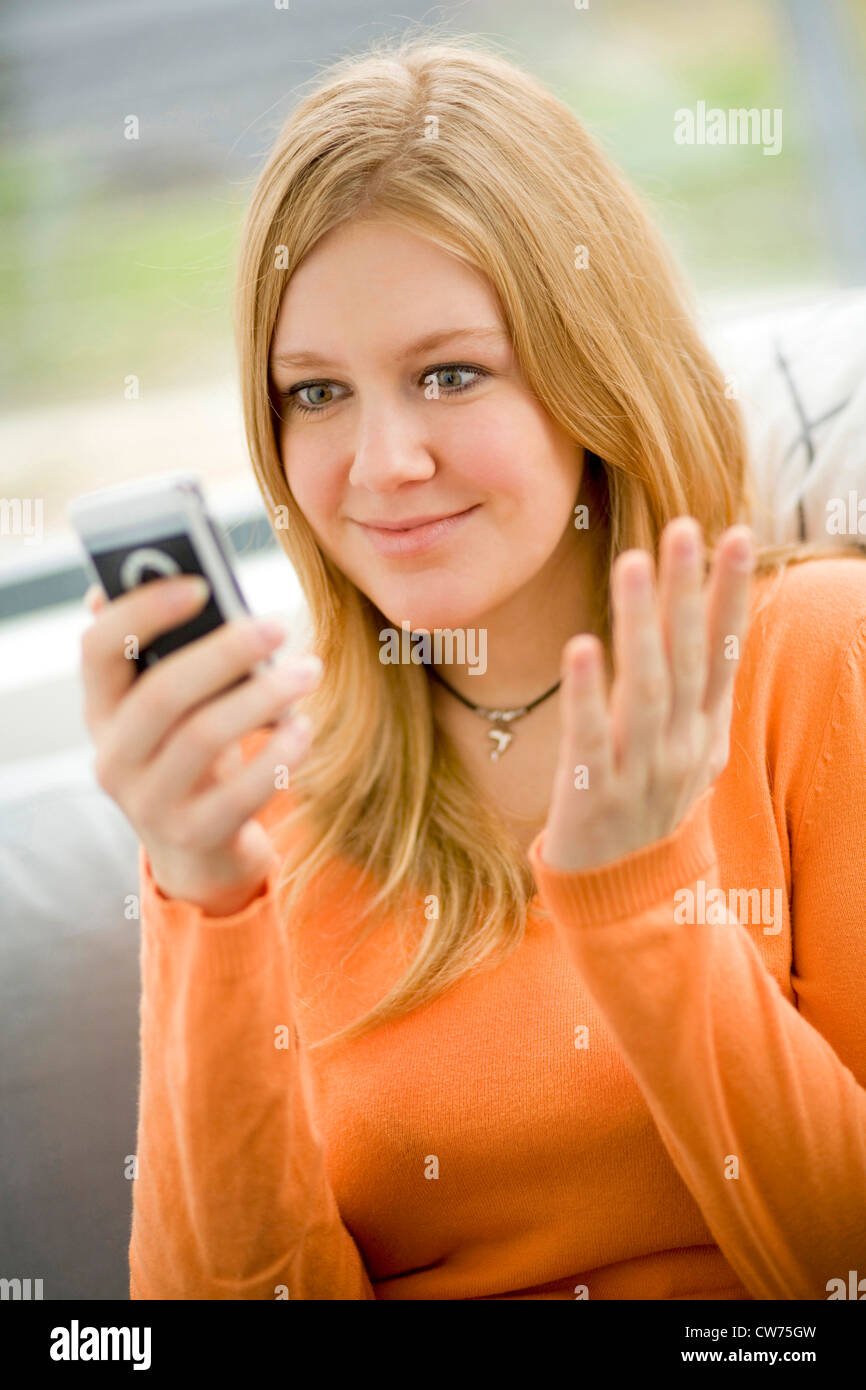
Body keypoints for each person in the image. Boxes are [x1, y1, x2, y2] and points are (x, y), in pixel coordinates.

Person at [80, 33, 866, 1300]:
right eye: (316, 394)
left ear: (588, 372)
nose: (381, 463)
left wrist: (643, 899)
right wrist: (204, 895)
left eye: (449, 375)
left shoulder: (816, 659)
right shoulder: (270, 793)